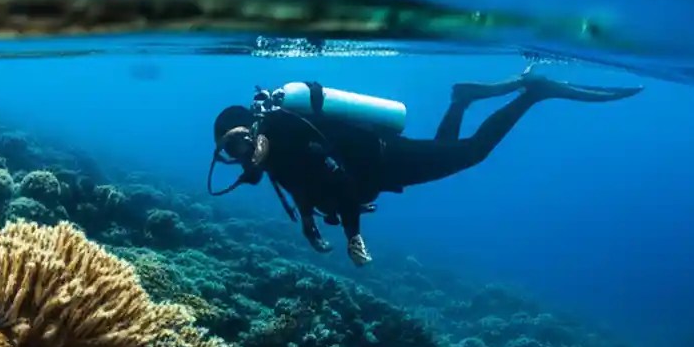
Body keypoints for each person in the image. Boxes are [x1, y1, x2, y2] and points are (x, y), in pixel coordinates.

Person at [209, 69, 641, 267]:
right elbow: (302, 184)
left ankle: (535, 93)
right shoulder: (275, 155)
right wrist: (307, 224)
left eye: (240, 141)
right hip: (382, 169)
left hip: (388, 161)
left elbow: (336, 182)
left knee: (471, 153)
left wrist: (353, 238)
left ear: (252, 127)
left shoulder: (284, 131)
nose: (242, 154)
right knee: (447, 150)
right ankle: (462, 97)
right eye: (230, 151)